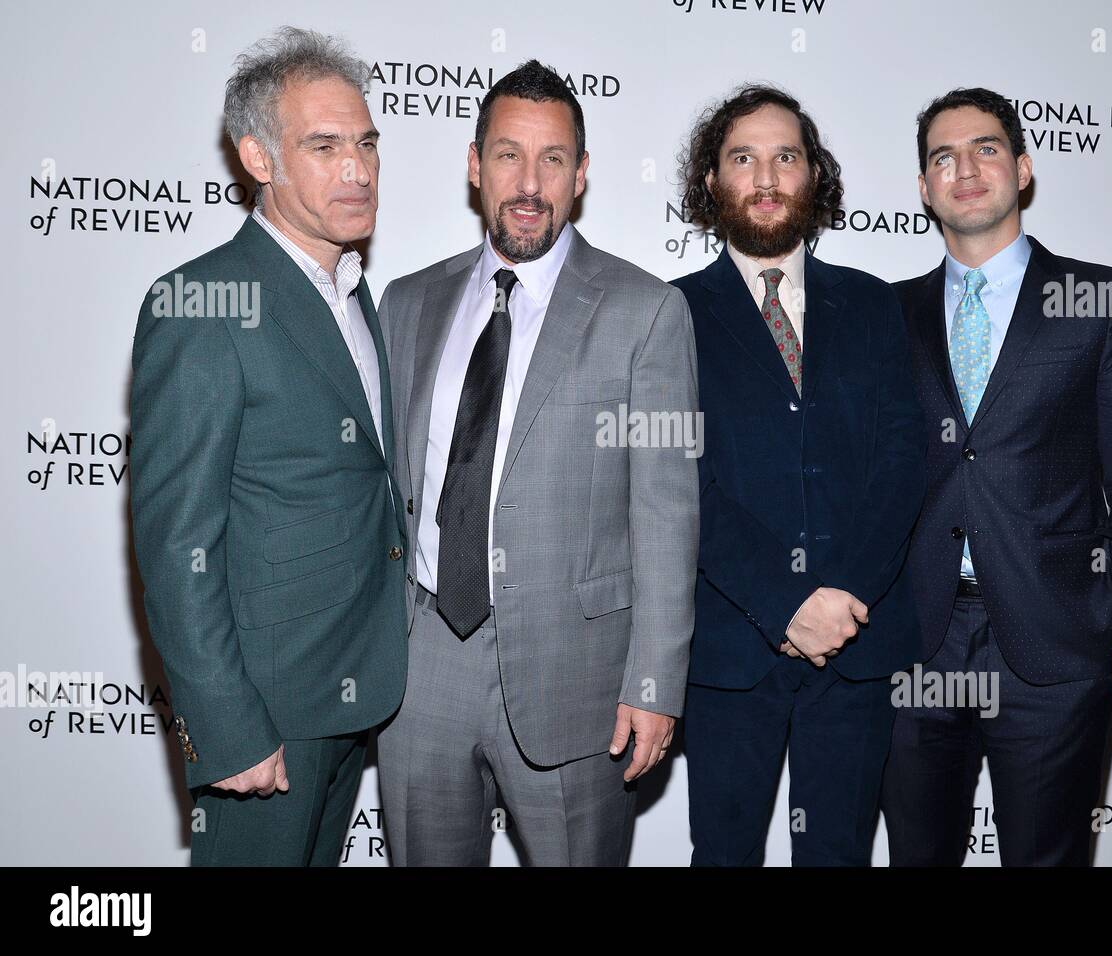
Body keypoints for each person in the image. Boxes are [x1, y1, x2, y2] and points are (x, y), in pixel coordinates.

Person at [376, 60, 699, 866]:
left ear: (581, 174)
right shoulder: (407, 302)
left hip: (576, 674)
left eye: (553, 158)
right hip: (421, 670)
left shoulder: (645, 311)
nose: (529, 183)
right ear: (474, 165)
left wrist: (653, 683)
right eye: (509, 156)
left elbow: (666, 514)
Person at [129, 27, 407, 866]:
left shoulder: (357, 296)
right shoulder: (202, 303)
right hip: (265, 716)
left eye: (365, 143)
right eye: (323, 146)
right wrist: (226, 726)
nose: (356, 169)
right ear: (258, 157)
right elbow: (177, 542)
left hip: (352, 692)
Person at [881, 87, 1112, 866]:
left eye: (985, 149)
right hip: (918, 646)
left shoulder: (1102, 302)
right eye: (942, 156)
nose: (965, 169)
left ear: (1023, 167)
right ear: (922, 188)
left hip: (1055, 649)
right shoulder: (884, 316)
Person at [671, 85, 926, 866]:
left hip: (858, 648)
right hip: (728, 652)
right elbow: (682, 486)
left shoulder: (876, 307)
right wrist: (786, 607)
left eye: (786, 157)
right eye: (743, 158)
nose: (767, 177)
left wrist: (837, 603)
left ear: (814, 174)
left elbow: (902, 463)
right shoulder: (667, 315)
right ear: (713, 182)